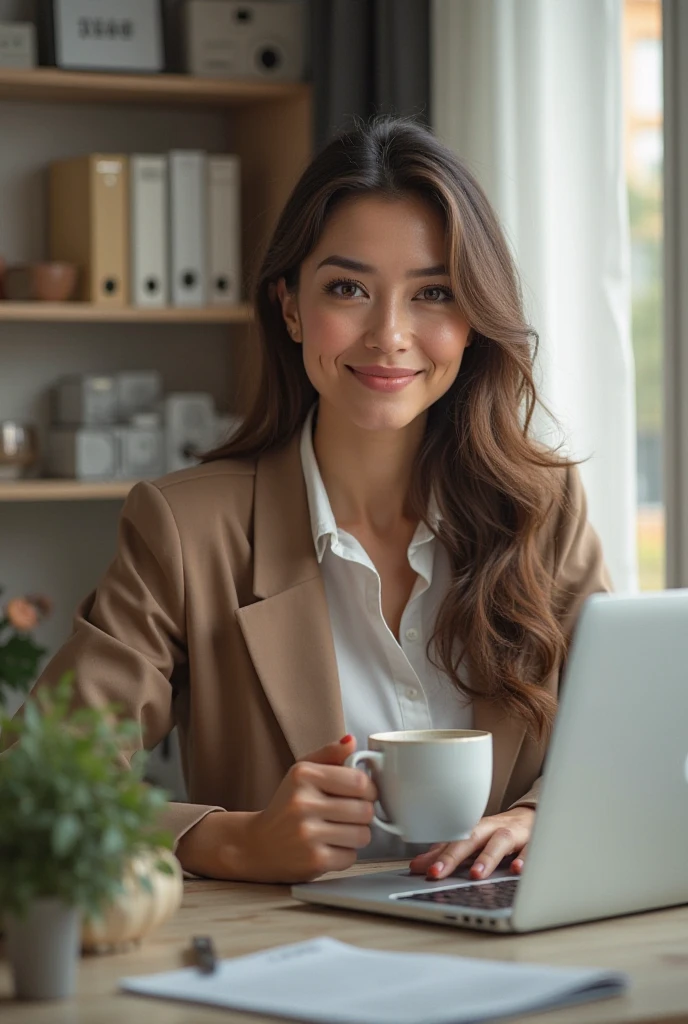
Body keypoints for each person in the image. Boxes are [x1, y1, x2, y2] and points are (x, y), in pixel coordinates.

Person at [24, 117, 609, 886]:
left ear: (472, 320)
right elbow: (34, 781)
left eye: (433, 292)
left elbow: (620, 742)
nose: (390, 334)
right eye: (348, 289)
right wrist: (228, 840)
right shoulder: (187, 529)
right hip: (281, 961)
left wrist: (539, 816)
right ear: (291, 307)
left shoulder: (543, 506)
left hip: (512, 941)